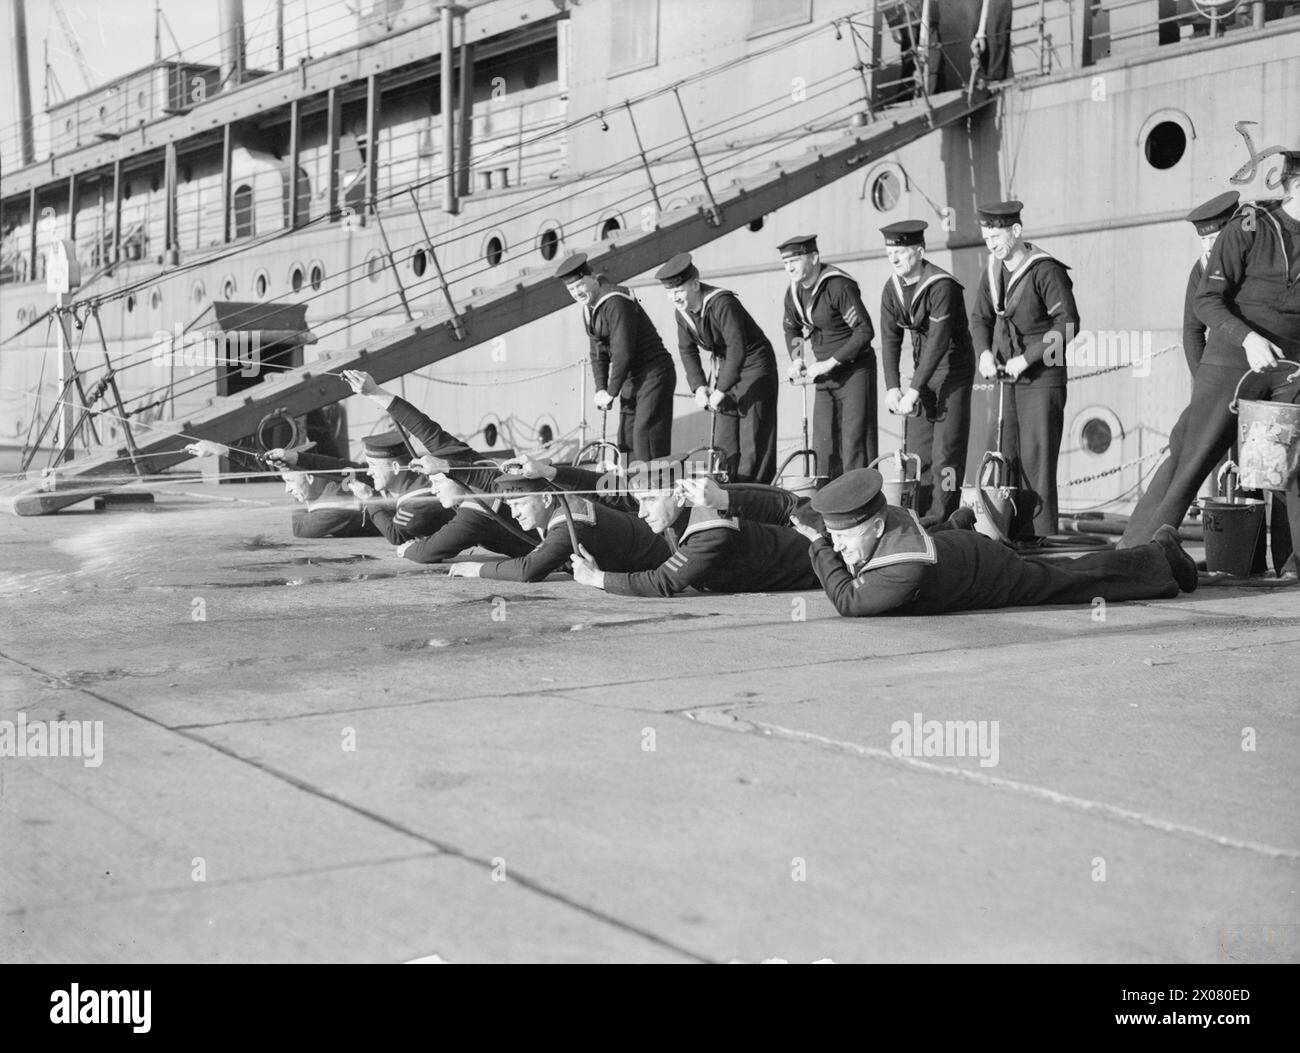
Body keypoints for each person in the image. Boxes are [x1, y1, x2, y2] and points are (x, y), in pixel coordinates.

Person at [1119, 154, 1300, 576]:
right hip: (1234, 358)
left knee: (1289, 466)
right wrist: (1239, 350)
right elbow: (1203, 308)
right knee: (1193, 455)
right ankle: (1135, 554)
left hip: (1288, 366)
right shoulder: (1251, 227)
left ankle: (1291, 567)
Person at [791, 469, 1196, 617]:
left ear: (876, 527)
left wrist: (817, 546)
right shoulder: (879, 516)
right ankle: (961, 524)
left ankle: (1163, 559)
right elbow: (824, 519)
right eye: (833, 536)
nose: (837, 545)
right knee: (1065, 569)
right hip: (956, 552)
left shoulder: (902, 567)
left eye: (842, 537)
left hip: (988, 570)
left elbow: (848, 601)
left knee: (1072, 579)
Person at [969, 200, 1081, 541]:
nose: (992, 244)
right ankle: (1004, 530)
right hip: (1006, 377)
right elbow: (980, 318)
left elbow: (1068, 324)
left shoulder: (1045, 270)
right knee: (1004, 451)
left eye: (997, 236)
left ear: (1016, 231)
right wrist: (984, 354)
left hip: (1041, 377)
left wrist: (1027, 358)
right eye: (987, 237)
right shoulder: (992, 270)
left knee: (1036, 457)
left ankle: (1036, 537)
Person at [570, 467, 820, 597]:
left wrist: (597, 578)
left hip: (814, 569)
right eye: (640, 502)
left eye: (649, 500)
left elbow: (662, 583)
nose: (642, 512)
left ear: (678, 496)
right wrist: (551, 473)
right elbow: (609, 493)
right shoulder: (677, 506)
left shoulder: (711, 530)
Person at [878, 219, 975, 526]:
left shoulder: (941, 285)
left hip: (952, 369)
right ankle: (917, 518)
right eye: (889, 252)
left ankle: (944, 518)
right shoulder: (892, 289)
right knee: (918, 452)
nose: (893, 259)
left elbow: (938, 341)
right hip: (924, 372)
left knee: (946, 450)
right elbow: (890, 339)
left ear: (919, 252)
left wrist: (914, 391)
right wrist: (892, 386)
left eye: (901, 252)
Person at [655, 252, 779, 483]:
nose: (675, 297)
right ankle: (727, 491)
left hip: (754, 364)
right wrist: (699, 387)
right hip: (726, 366)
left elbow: (737, 347)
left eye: (679, 290)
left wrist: (720, 391)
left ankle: (756, 495)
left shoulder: (722, 302)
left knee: (752, 438)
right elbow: (687, 350)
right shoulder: (682, 313)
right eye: (670, 292)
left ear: (695, 284)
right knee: (724, 438)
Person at [555, 252, 677, 463]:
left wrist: (612, 391)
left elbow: (623, 351)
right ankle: (631, 492)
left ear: (592, 277)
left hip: (654, 373)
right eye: (571, 290)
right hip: (631, 378)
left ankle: (656, 491)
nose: (577, 293)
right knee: (626, 439)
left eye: (580, 286)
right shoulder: (589, 309)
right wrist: (601, 388)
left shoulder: (615, 301)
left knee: (645, 437)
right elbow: (597, 353)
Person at [446, 471, 671, 581]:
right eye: (511, 506)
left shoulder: (571, 522)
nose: (514, 513)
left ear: (545, 499)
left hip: (666, 559)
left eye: (520, 504)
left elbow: (529, 570)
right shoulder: (558, 509)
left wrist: (476, 569)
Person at [779, 234, 877, 479]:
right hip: (824, 376)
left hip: (854, 371)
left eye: (795, 260)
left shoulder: (838, 285)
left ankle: (859, 506)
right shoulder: (793, 293)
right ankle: (827, 507)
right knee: (824, 446)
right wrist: (798, 359)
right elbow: (792, 327)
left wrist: (829, 363)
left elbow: (865, 331)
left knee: (855, 443)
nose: (789, 267)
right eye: (785, 262)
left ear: (814, 258)